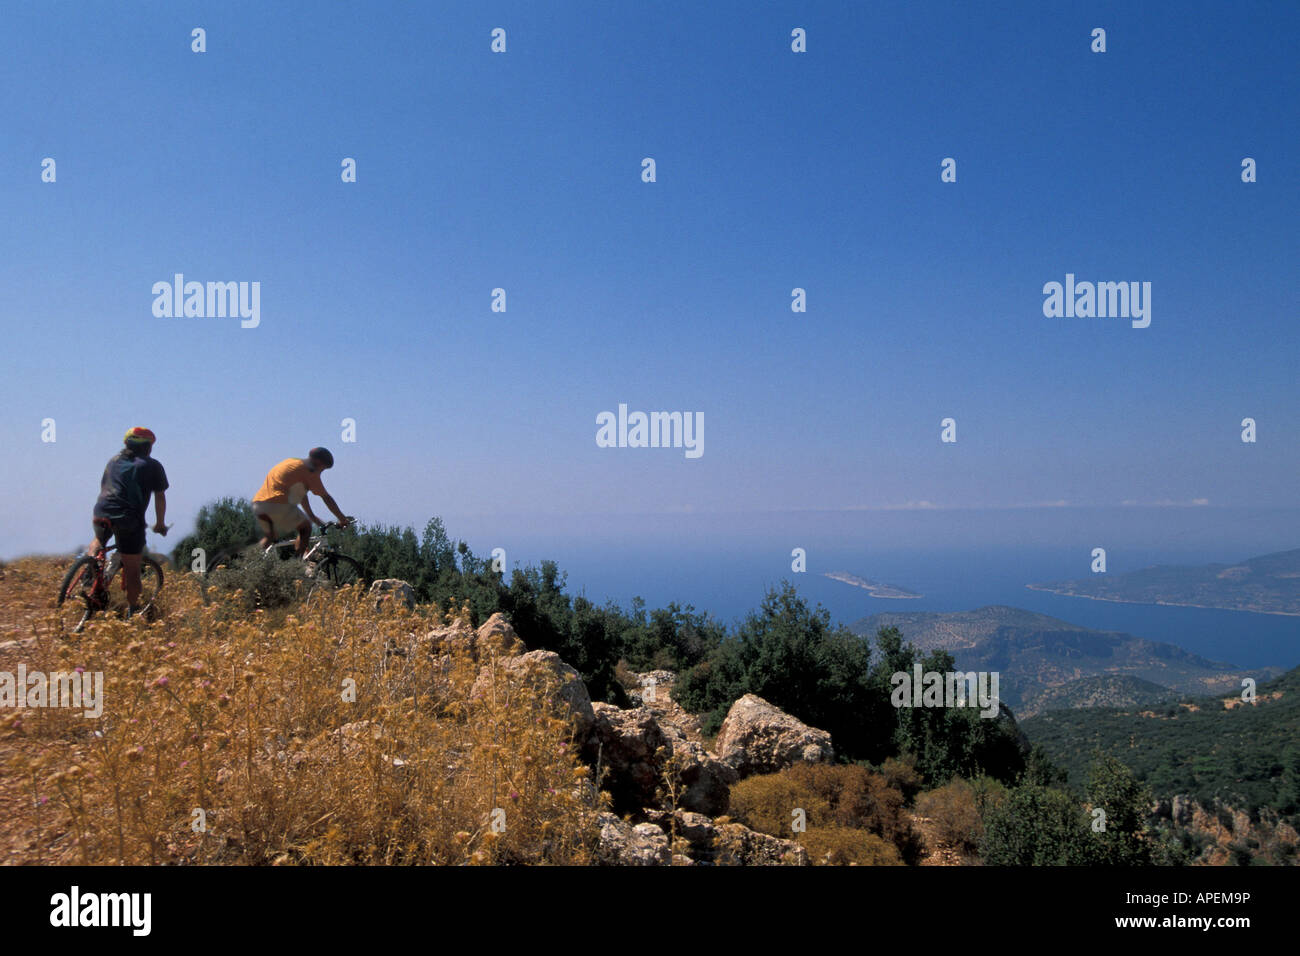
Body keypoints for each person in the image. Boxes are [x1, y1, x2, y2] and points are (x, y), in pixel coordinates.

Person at [90, 427, 169, 616]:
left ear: (126, 444)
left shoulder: (113, 461)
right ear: (148, 447)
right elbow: (160, 497)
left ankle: (89, 571)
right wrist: (160, 524)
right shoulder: (152, 466)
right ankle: (131, 616)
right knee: (133, 569)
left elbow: (105, 485)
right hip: (129, 519)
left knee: (99, 540)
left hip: (102, 511)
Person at [252, 448, 351, 555]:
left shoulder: (292, 461)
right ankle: (297, 564)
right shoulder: (310, 472)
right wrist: (342, 519)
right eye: (322, 469)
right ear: (318, 462)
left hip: (260, 503)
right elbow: (326, 498)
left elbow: (302, 495)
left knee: (270, 537)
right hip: (277, 504)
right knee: (306, 528)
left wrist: (312, 517)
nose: (321, 473)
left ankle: (247, 559)